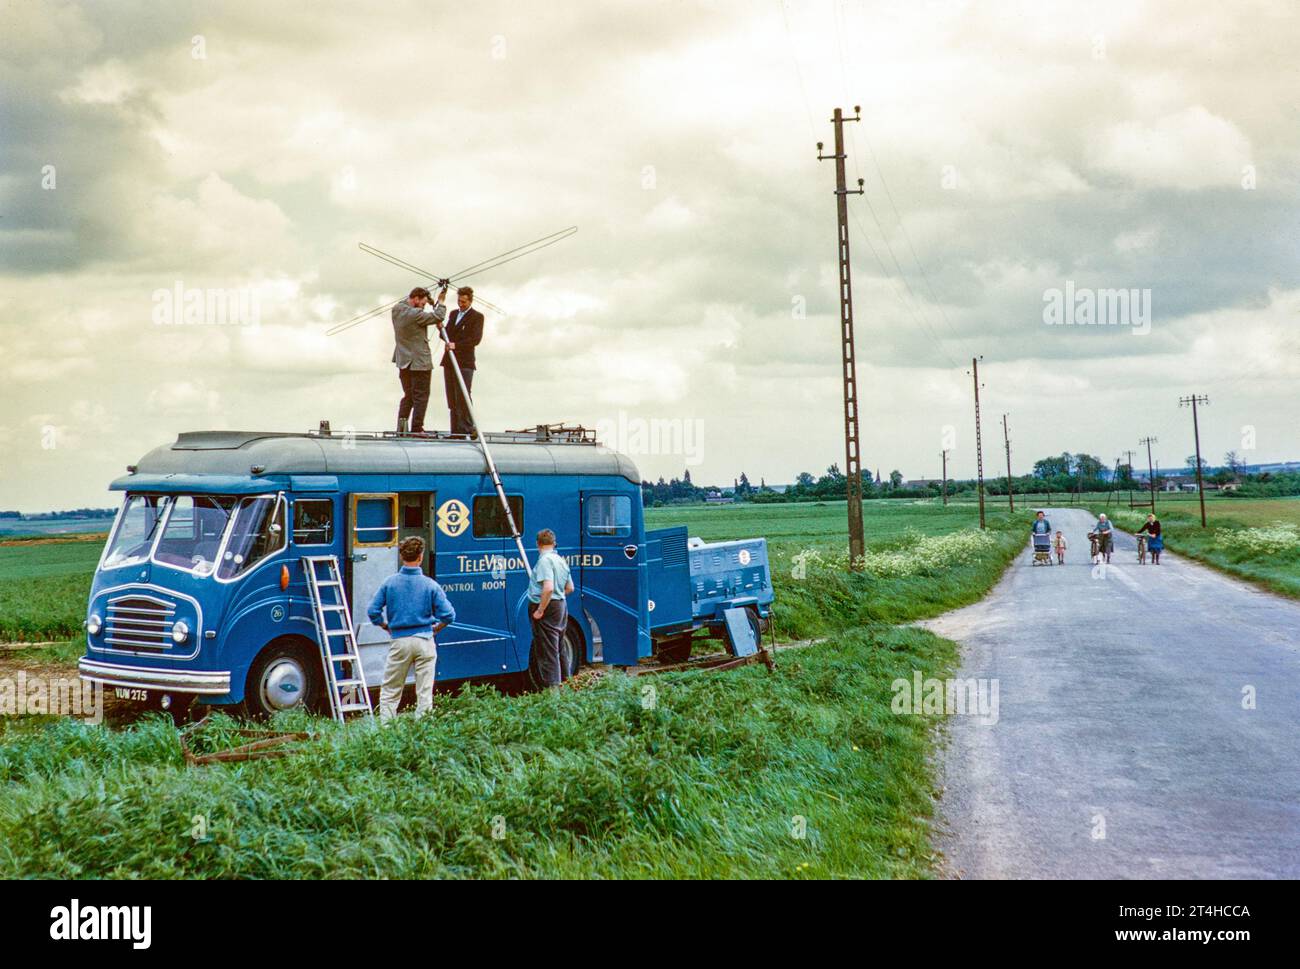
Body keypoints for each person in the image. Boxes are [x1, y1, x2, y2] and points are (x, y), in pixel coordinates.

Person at [366, 536, 455, 721]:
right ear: (421, 557)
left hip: (400, 641)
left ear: (401, 556)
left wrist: (385, 625)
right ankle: (422, 728)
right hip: (425, 640)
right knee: (424, 691)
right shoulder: (430, 585)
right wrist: (437, 628)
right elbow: (449, 615)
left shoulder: (389, 583)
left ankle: (387, 730)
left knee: (391, 689)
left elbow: (373, 610)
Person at [391, 285, 447, 434]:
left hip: (403, 362)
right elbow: (438, 316)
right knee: (421, 396)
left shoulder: (397, 309)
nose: (423, 307)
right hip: (418, 362)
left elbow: (407, 302)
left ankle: (401, 427)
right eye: (422, 304)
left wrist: (427, 299)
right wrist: (440, 302)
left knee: (408, 396)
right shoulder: (415, 314)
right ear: (415, 299)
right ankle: (417, 428)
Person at [528, 528, 574, 688]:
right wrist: (557, 597)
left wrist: (541, 609)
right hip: (561, 605)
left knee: (548, 651)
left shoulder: (544, 561)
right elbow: (570, 588)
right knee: (560, 648)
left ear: (537, 544)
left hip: (547, 606)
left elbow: (547, 588)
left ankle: (553, 693)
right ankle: (567, 684)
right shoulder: (560, 560)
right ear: (554, 543)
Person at [439, 286, 484, 436]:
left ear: (470, 301)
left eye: (464, 302)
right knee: (452, 397)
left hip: (464, 362)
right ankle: (455, 430)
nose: (461, 304)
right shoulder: (453, 314)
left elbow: (475, 339)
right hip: (450, 361)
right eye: (459, 301)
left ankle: (467, 427)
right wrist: (441, 329)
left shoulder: (477, 317)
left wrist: (456, 345)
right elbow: (447, 334)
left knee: (463, 394)